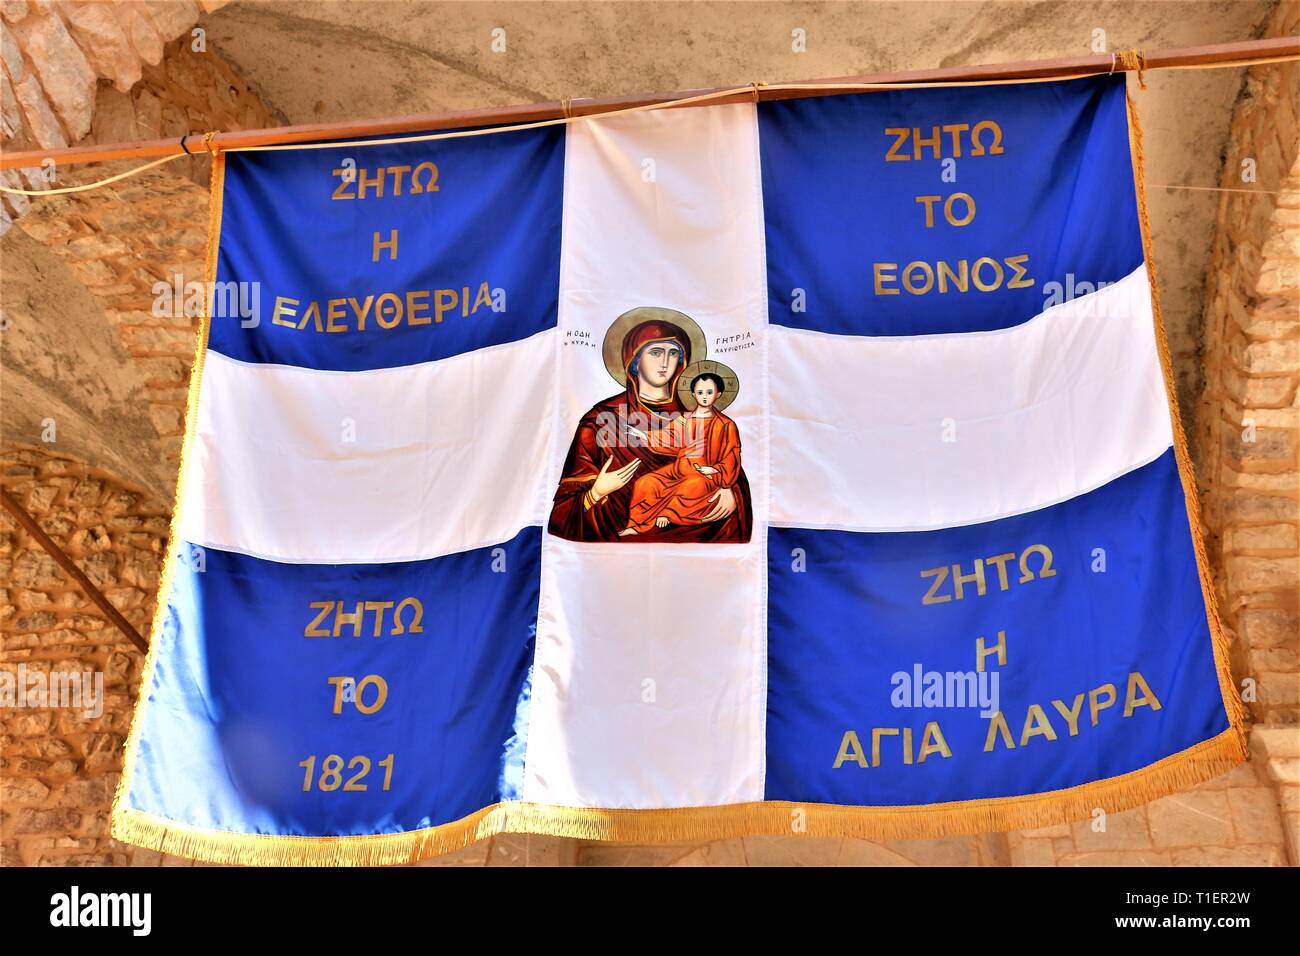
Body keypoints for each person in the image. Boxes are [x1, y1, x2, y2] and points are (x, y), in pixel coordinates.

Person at [548, 313, 752, 544]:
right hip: (614, 553)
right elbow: (562, 514)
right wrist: (596, 492)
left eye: (673, 353)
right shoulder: (600, 419)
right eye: (655, 352)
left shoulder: (704, 417)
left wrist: (732, 493)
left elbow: (729, 460)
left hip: (697, 532)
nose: (665, 363)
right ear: (634, 359)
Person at [618, 372, 742, 536]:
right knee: (646, 482)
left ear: (718, 394)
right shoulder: (684, 419)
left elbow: (731, 454)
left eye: (709, 392)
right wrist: (645, 435)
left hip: (705, 475)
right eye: (700, 392)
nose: (704, 397)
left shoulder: (726, 425)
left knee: (691, 486)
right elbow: (667, 438)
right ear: (693, 394)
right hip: (677, 471)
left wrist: (714, 470)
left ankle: (667, 513)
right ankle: (636, 525)